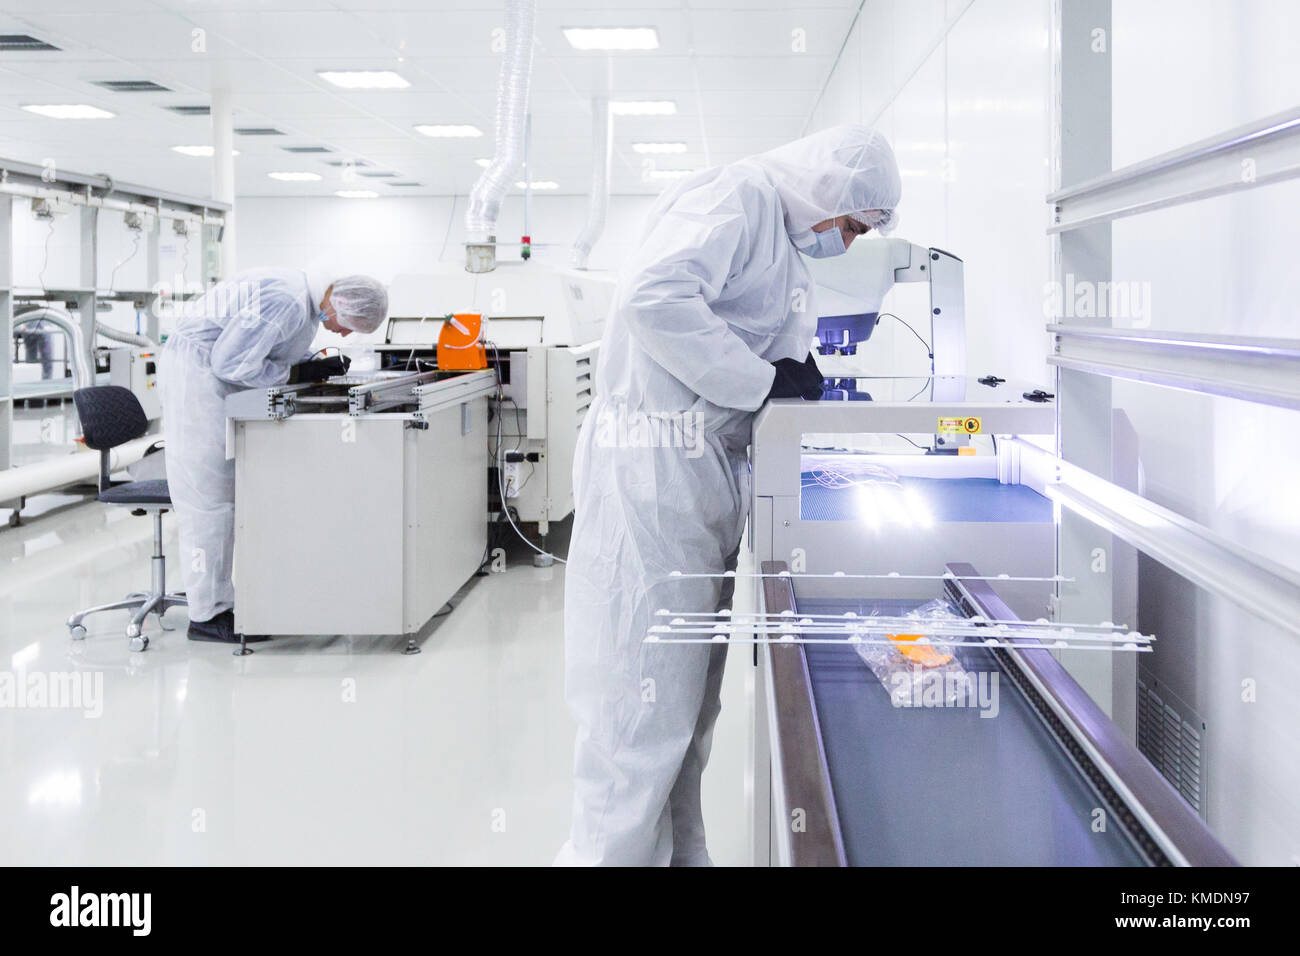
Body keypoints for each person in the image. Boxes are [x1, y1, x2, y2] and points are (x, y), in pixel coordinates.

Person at [556, 125, 902, 866]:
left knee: (683, 713)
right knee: (637, 716)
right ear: (828, 192)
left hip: (695, 469)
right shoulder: (738, 196)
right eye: (850, 224)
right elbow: (655, 298)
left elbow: (730, 321)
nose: (845, 239)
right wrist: (762, 381)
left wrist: (783, 367)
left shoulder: (774, 232)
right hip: (655, 470)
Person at [159, 269, 387, 643]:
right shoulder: (287, 300)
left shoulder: (305, 304)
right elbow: (230, 362)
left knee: (227, 499)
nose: (344, 334)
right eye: (349, 326)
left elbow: (265, 349)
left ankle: (224, 599)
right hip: (197, 385)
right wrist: (294, 372)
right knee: (209, 501)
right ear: (341, 302)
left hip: (214, 386)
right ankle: (207, 616)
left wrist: (308, 363)